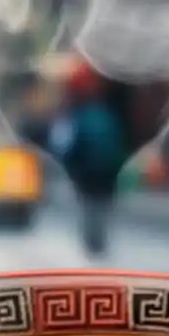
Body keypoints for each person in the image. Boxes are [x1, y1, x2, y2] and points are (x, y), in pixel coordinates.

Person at [60, 64, 128, 258]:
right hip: (108, 170)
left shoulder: (80, 116)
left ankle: (91, 243)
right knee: (103, 205)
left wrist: (71, 166)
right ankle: (100, 241)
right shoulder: (111, 116)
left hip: (87, 171)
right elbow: (120, 143)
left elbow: (71, 143)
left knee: (88, 206)